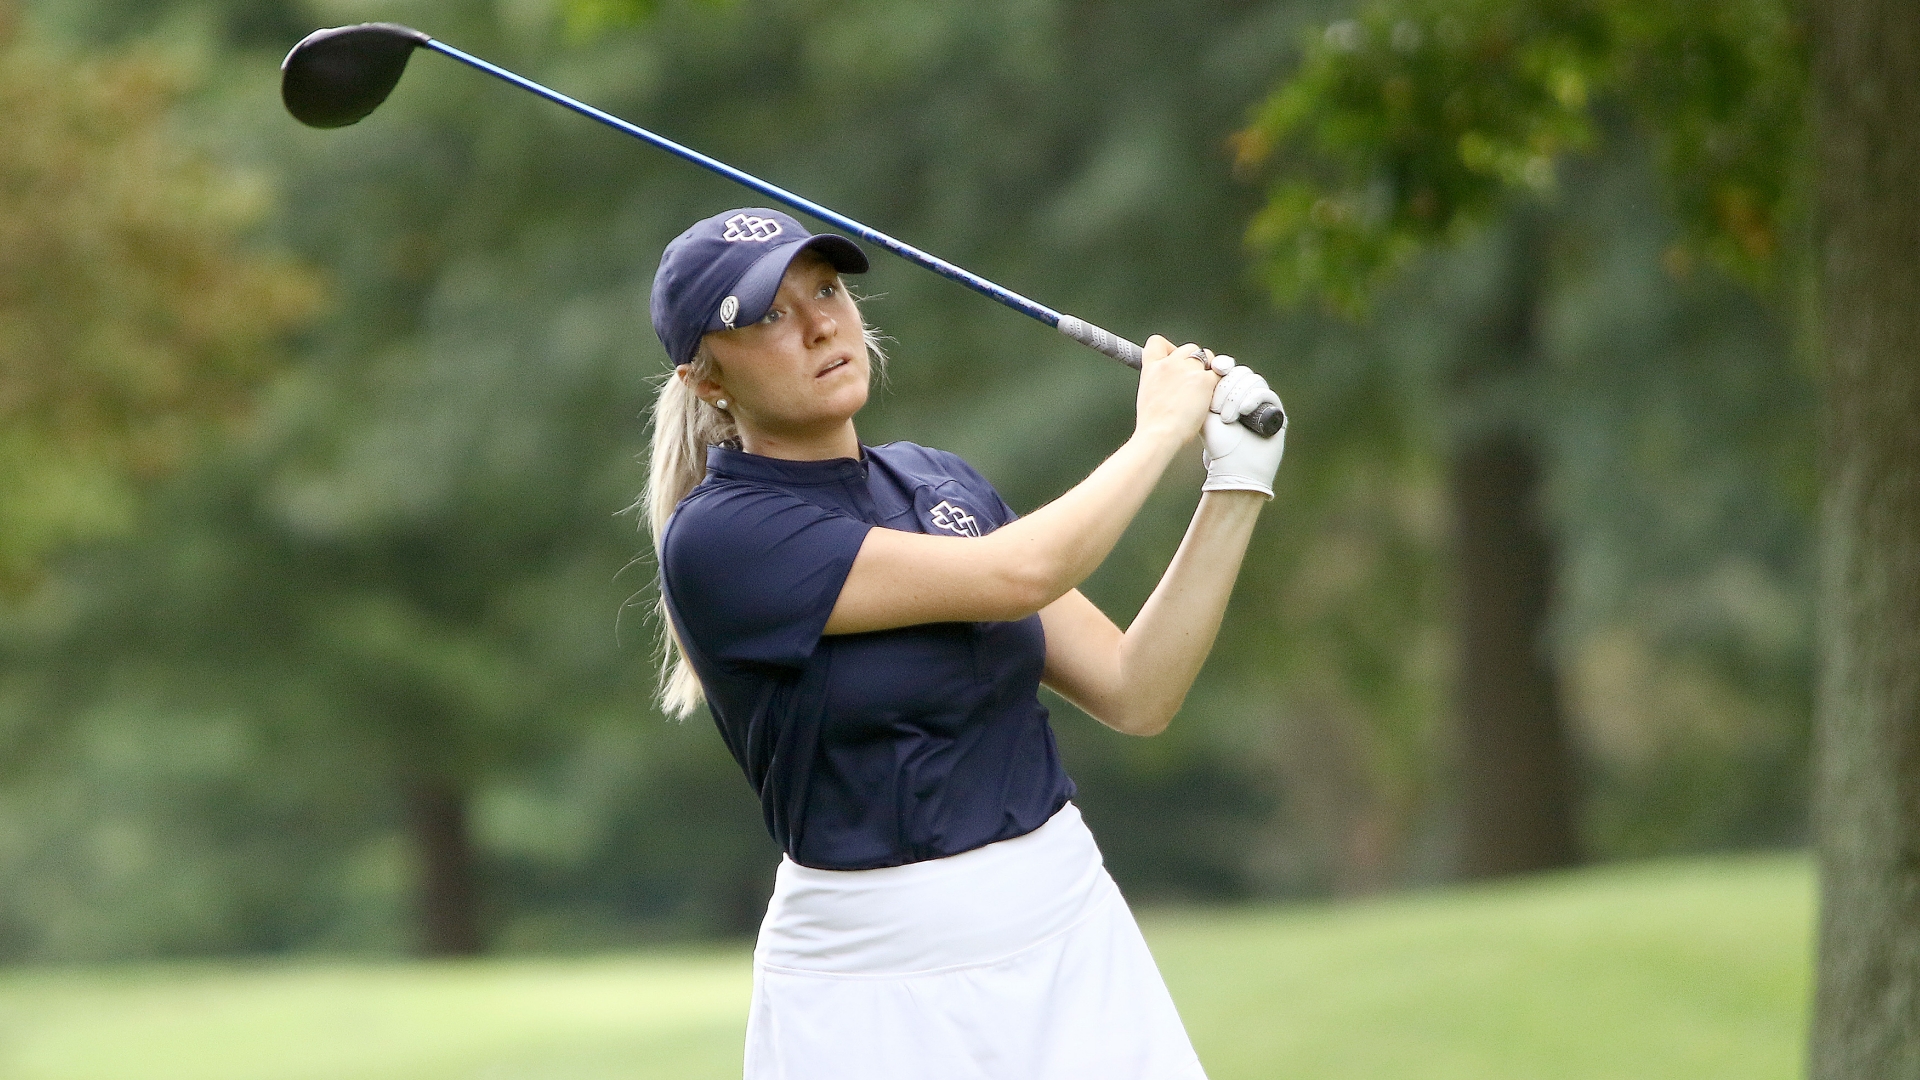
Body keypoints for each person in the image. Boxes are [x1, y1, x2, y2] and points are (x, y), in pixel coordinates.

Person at [642, 207, 1285, 1080]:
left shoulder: (939, 481)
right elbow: (1018, 575)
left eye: (825, 290)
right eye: (767, 316)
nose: (821, 324)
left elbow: (1136, 690)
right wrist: (1161, 431)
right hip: (873, 989)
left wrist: (1237, 480)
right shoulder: (723, 538)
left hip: (1069, 929)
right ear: (706, 378)